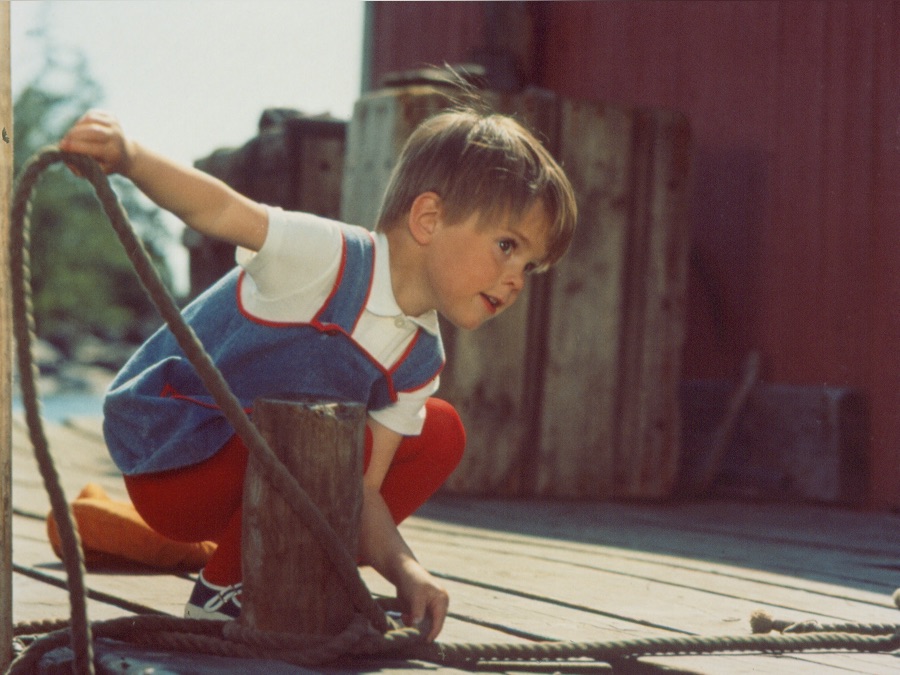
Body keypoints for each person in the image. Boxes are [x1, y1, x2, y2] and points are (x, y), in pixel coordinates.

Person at [59, 94, 577, 641]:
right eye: (506, 246)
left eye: (530, 267)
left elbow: (361, 494)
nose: (516, 278)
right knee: (313, 423)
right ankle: (223, 591)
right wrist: (131, 156)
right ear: (428, 218)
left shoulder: (419, 359)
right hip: (173, 456)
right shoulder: (326, 258)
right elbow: (220, 211)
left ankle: (291, 573)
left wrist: (408, 572)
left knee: (441, 431)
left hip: (267, 476)